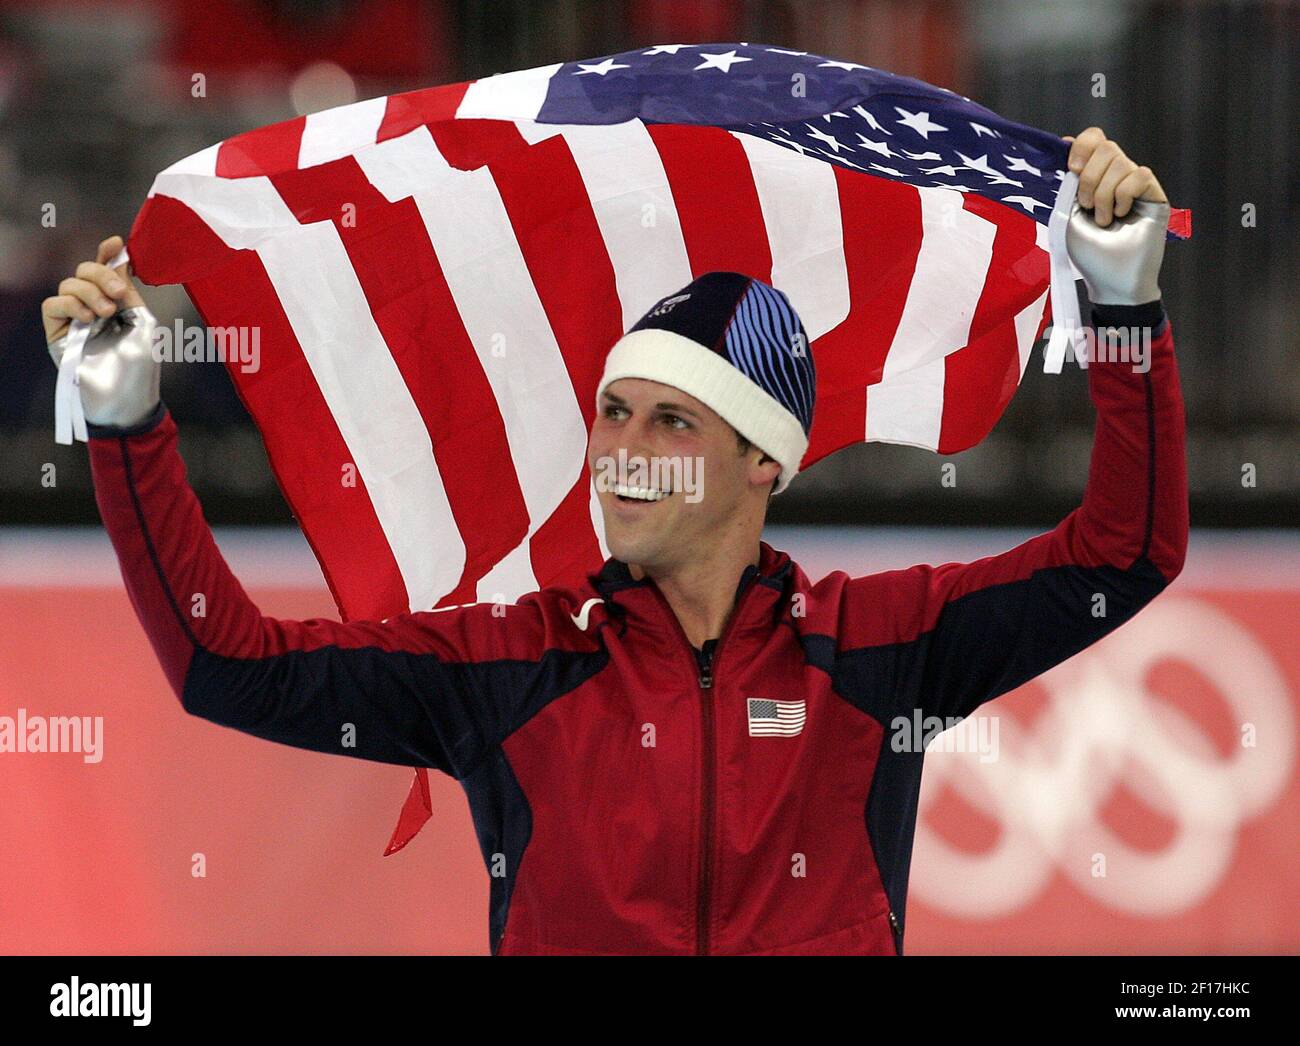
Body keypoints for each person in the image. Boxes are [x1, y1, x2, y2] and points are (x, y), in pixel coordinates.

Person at [42, 127, 1187, 955]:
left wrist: (1124, 307)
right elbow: (222, 663)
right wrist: (127, 421)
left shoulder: (882, 646)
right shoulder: (509, 667)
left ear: (764, 462)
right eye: (613, 410)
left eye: (672, 419)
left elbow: (1125, 551)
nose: (622, 447)